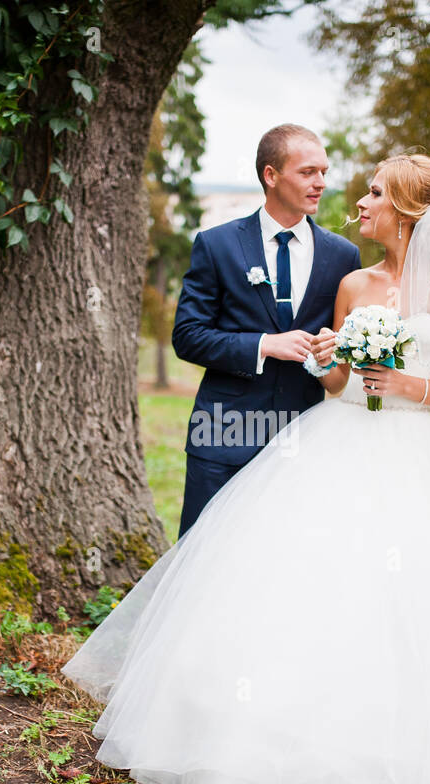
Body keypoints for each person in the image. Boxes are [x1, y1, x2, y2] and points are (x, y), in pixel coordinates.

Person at [61, 153, 430, 784]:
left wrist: (404, 384)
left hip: (418, 456)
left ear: (406, 207)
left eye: (373, 192)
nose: (358, 201)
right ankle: (270, 752)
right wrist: (326, 355)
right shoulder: (352, 281)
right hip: (337, 440)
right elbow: (338, 380)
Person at [170, 123, 363, 537]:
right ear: (270, 176)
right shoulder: (216, 244)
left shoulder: (343, 255)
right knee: (203, 562)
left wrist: (332, 348)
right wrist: (263, 345)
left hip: (303, 441)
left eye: (324, 172)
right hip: (222, 436)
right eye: (308, 172)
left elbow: (340, 356)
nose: (321, 183)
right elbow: (187, 335)